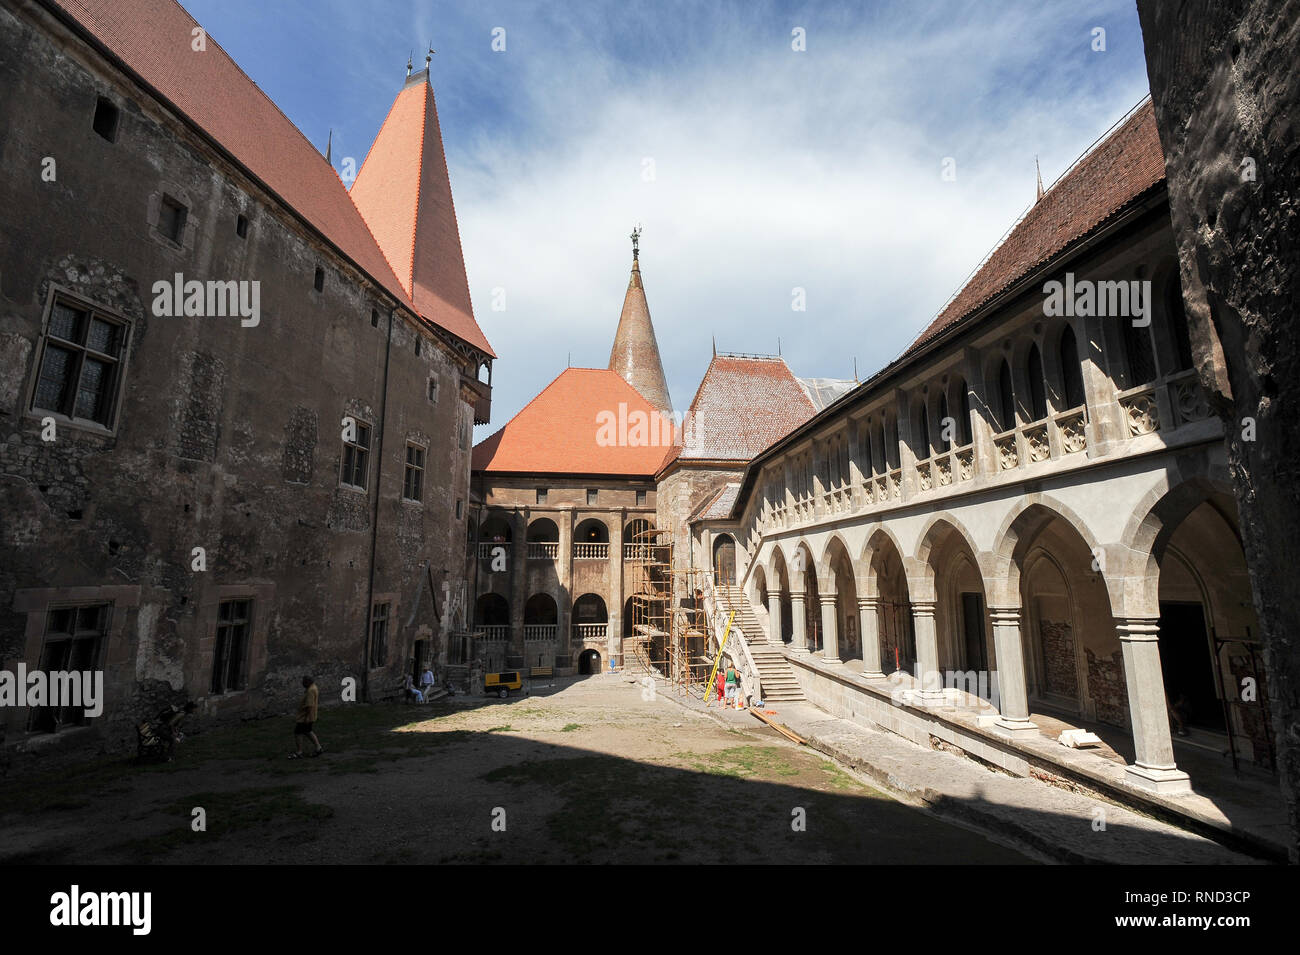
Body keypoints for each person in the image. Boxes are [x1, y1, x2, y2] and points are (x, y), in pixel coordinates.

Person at [289, 675, 323, 758]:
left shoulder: (310, 690)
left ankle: (299, 752)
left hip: (305, 717)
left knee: (298, 732)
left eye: (303, 682)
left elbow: (309, 705)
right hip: (309, 716)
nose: (302, 683)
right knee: (308, 731)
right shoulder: (313, 687)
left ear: (307, 682)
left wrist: (307, 717)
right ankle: (318, 748)